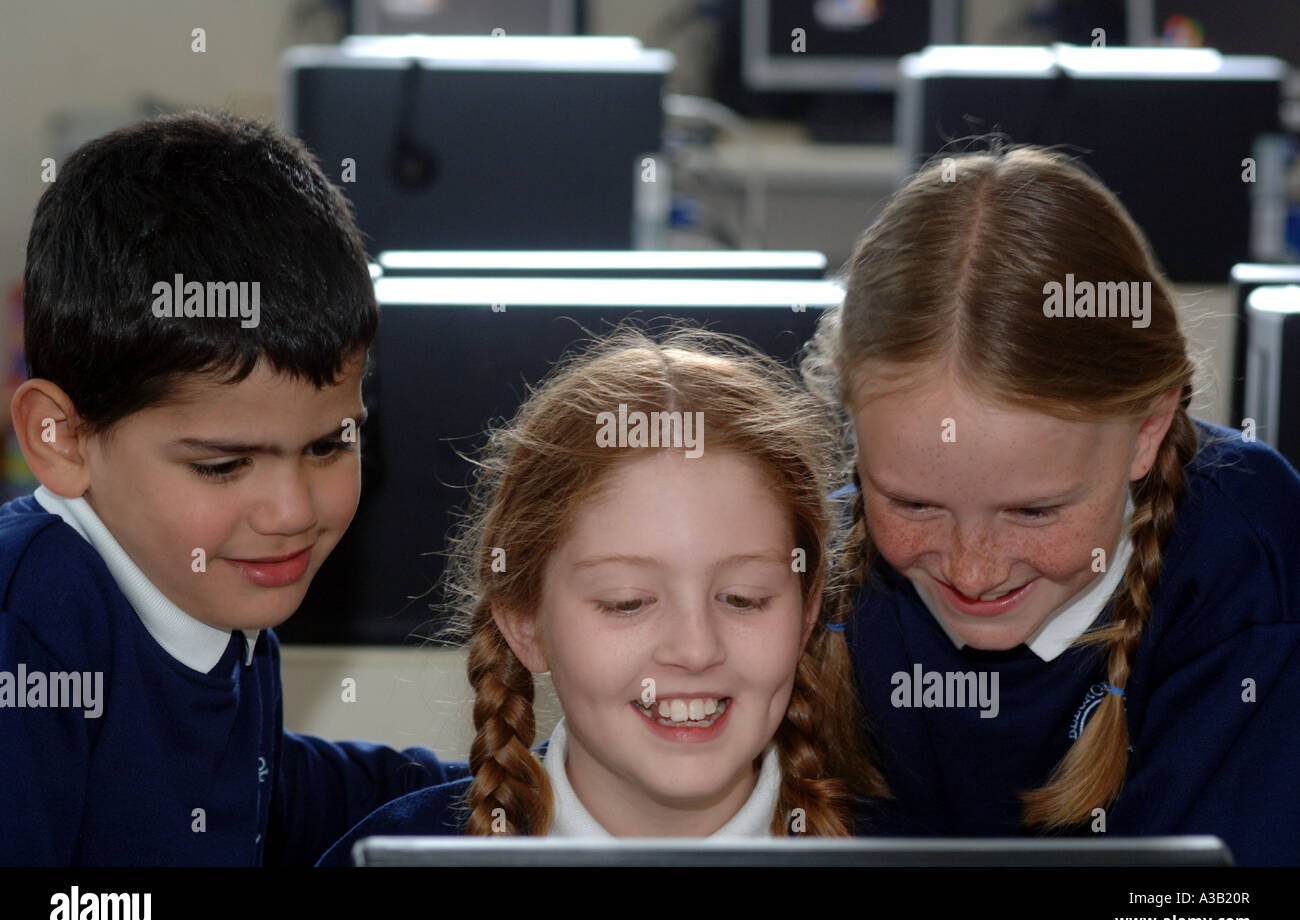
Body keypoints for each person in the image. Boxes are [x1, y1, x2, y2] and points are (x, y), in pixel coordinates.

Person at [802, 143, 1300, 865]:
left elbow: (1210, 913)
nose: (972, 573)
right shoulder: (796, 577)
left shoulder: (1253, 564)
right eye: (912, 504)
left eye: (1034, 512)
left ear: (1147, 432)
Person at [0, 110, 463, 865]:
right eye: (222, 465)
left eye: (328, 445)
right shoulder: (31, 627)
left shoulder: (203, 586)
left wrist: (520, 794)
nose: (291, 513)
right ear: (62, 437)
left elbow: (263, 795)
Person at [318, 328, 888, 862]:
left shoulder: (908, 847)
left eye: (743, 598)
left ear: (808, 611)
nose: (695, 650)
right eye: (627, 602)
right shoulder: (391, 854)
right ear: (524, 622)